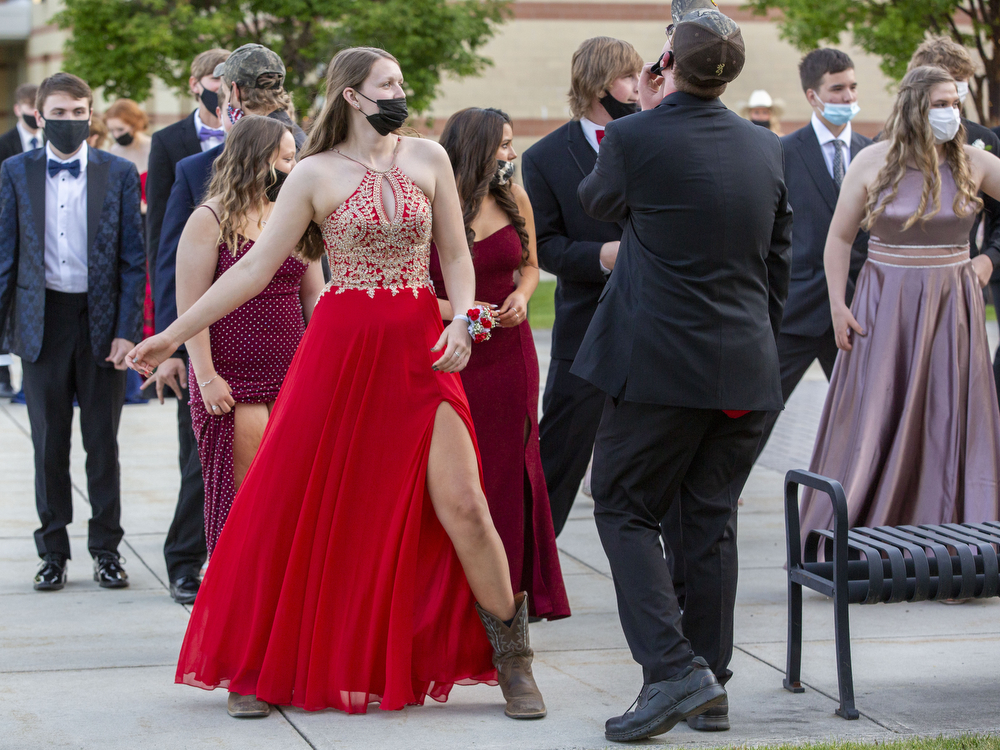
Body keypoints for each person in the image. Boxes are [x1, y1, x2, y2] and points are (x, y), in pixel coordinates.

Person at [128, 46, 546, 721]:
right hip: (339, 348)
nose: (400, 94)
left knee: (466, 504)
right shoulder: (312, 172)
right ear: (352, 95)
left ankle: (513, 662)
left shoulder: (429, 159)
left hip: (420, 348)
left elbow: (455, 254)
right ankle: (253, 659)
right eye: (389, 84)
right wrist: (174, 334)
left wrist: (468, 319)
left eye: (402, 83)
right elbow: (255, 269)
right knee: (285, 500)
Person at [574, 1, 792, 739]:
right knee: (707, 521)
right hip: (746, 366)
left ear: (666, 67)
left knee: (623, 507)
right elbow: (779, 263)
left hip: (660, 369)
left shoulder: (635, 137)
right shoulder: (766, 149)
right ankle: (711, 683)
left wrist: (641, 107)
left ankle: (673, 672)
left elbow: (598, 200)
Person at [799, 65, 1000, 537]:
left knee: (949, 416)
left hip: (954, 305)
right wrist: (837, 305)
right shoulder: (872, 161)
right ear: (913, 107)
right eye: (940, 105)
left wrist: (989, 258)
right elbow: (839, 239)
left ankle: (954, 538)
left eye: (954, 103)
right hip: (885, 302)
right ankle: (865, 530)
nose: (951, 113)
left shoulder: (975, 161)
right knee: (878, 412)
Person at [0, 72, 145, 591]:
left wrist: (129, 331)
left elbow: (135, 260)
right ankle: (53, 551)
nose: (69, 122)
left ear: (91, 115)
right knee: (48, 444)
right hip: (42, 323)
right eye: (58, 114)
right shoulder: (14, 171)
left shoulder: (120, 173)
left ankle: (106, 549)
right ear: (39, 117)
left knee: (102, 443)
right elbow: (5, 256)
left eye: (77, 112)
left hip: (102, 324)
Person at [429, 107, 570, 621]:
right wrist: (462, 312)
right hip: (452, 353)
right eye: (503, 146)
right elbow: (413, 292)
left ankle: (514, 588)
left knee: (511, 465)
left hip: (511, 353)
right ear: (474, 148)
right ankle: (458, 592)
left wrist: (522, 297)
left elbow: (530, 266)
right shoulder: (429, 204)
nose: (511, 155)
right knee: (463, 472)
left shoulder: (514, 197)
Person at [178, 116, 324, 554]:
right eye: (286, 158)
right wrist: (205, 376)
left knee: (288, 498)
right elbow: (191, 309)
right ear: (257, 160)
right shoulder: (209, 219)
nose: (294, 165)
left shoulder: (295, 215)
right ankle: (235, 602)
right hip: (228, 377)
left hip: (290, 373)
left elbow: (315, 298)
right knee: (244, 500)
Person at [521, 36, 642, 538]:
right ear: (598, 85)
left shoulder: (656, 138)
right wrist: (601, 257)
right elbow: (544, 246)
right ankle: (531, 569)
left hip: (659, 324)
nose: (640, 87)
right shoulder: (545, 156)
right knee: (563, 449)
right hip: (585, 326)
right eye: (630, 77)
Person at [752, 49, 873, 458]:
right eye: (836, 88)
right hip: (795, 311)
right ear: (812, 96)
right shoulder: (781, 152)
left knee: (865, 422)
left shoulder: (873, 154)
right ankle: (718, 504)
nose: (846, 97)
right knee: (756, 418)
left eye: (852, 87)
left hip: (858, 313)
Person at [146, 47, 230, 605]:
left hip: (266, 326)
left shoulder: (287, 145)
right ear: (198, 84)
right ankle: (183, 560)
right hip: (197, 325)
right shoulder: (174, 148)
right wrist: (170, 342)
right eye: (215, 84)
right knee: (196, 454)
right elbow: (165, 246)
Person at [905, 36, 1000, 404]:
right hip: (902, 282)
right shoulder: (887, 145)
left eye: (960, 84)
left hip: (959, 280)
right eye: (947, 81)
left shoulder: (981, 143)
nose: (954, 95)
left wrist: (989, 257)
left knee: (957, 383)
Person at [106, 98, 155, 404]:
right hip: (128, 230)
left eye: (120, 129)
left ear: (134, 124)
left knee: (150, 294)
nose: (116, 135)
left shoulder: (151, 148)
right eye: (111, 130)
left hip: (151, 227)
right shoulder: (113, 153)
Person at [0, 83, 44, 399]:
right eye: (27, 109)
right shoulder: (5, 145)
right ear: (18, 109)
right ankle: (3, 373)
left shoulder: (52, 142)